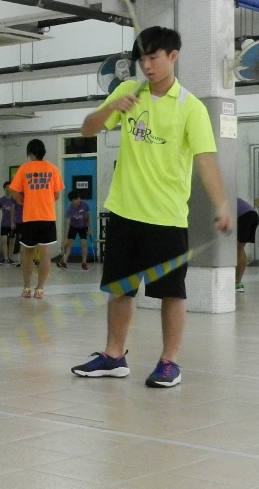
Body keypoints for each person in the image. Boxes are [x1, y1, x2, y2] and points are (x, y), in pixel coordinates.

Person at [71, 26, 231, 388]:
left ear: (173, 56)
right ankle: (114, 356)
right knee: (119, 289)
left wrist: (221, 204)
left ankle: (169, 362)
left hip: (166, 216)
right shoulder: (128, 91)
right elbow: (87, 129)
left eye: (153, 58)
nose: (146, 66)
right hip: (125, 211)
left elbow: (205, 160)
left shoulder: (190, 108)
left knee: (171, 293)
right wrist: (112, 106)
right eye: (141, 59)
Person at [9, 139, 63, 299]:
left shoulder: (24, 169)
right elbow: (57, 194)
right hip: (47, 217)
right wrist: (44, 201)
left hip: (30, 217)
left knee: (27, 253)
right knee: (45, 253)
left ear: (29, 152)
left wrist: (27, 202)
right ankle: (40, 289)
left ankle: (26, 288)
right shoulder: (52, 169)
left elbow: (15, 193)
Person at [59, 192, 93, 271]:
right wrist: (65, 238)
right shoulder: (69, 209)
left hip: (83, 226)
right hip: (73, 227)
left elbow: (88, 217)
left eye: (78, 198)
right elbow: (67, 224)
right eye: (75, 199)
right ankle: (64, 262)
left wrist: (90, 229)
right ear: (71, 201)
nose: (78, 201)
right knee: (69, 243)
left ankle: (84, 263)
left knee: (83, 243)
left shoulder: (85, 205)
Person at [0, 182, 18, 265]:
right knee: (4, 240)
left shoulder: (15, 200)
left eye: (9, 187)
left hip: (13, 224)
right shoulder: (1, 200)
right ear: (4, 188)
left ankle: (10, 257)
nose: (8, 188)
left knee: (12, 241)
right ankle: (5, 258)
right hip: (4, 224)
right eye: (6, 187)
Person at [236, 197, 257, 292]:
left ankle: (237, 284)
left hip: (245, 217)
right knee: (240, 249)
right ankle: (238, 283)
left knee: (238, 249)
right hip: (253, 215)